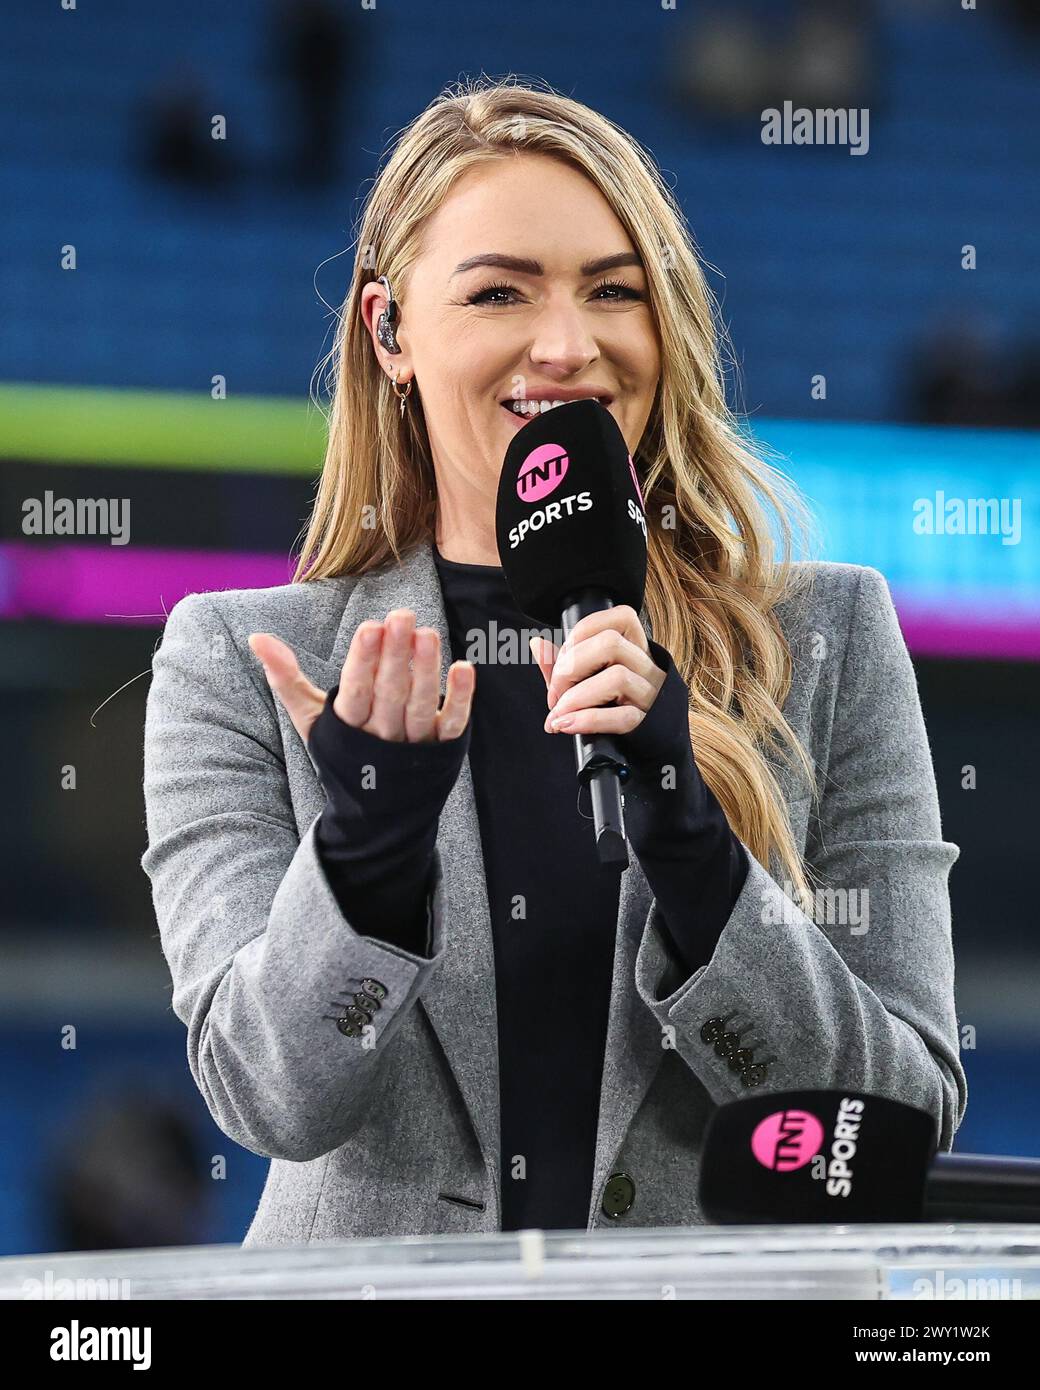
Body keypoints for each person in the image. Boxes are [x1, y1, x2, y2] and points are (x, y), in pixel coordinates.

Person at [141, 77, 967, 1246]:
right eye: (499, 292)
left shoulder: (824, 640)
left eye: (613, 291)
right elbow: (269, 1096)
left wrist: (696, 853)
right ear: (389, 332)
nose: (568, 344)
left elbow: (900, 1119)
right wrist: (365, 863)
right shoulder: (239, 658)